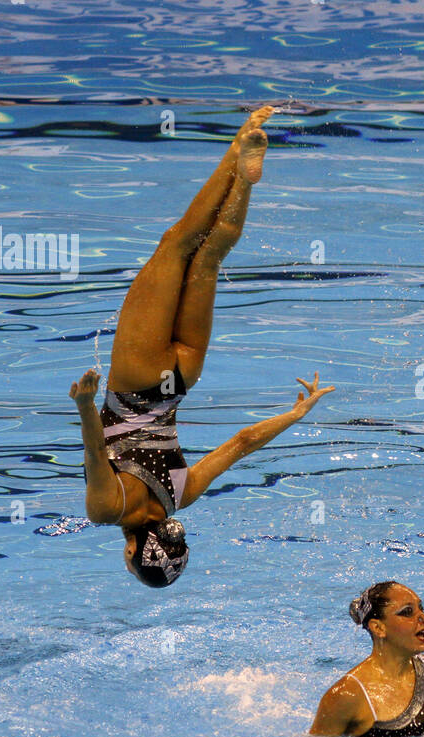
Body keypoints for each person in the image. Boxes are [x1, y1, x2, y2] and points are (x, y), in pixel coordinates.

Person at [69, 107, 334, 586]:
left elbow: (242, 442)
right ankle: (235, 153)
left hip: (180, 379)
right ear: (133, 553)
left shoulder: (181, 495)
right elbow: (92, 452)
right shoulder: (107, 510)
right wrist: (86, 404)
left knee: (210, 256)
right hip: (138, 379)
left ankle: (247, 179)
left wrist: (296, 414)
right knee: (176, 243)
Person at [310, 582, 424, 737]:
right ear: (378, 628)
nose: (423, 617)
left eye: (422, 608)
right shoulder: (347, 695)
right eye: (407, 612)